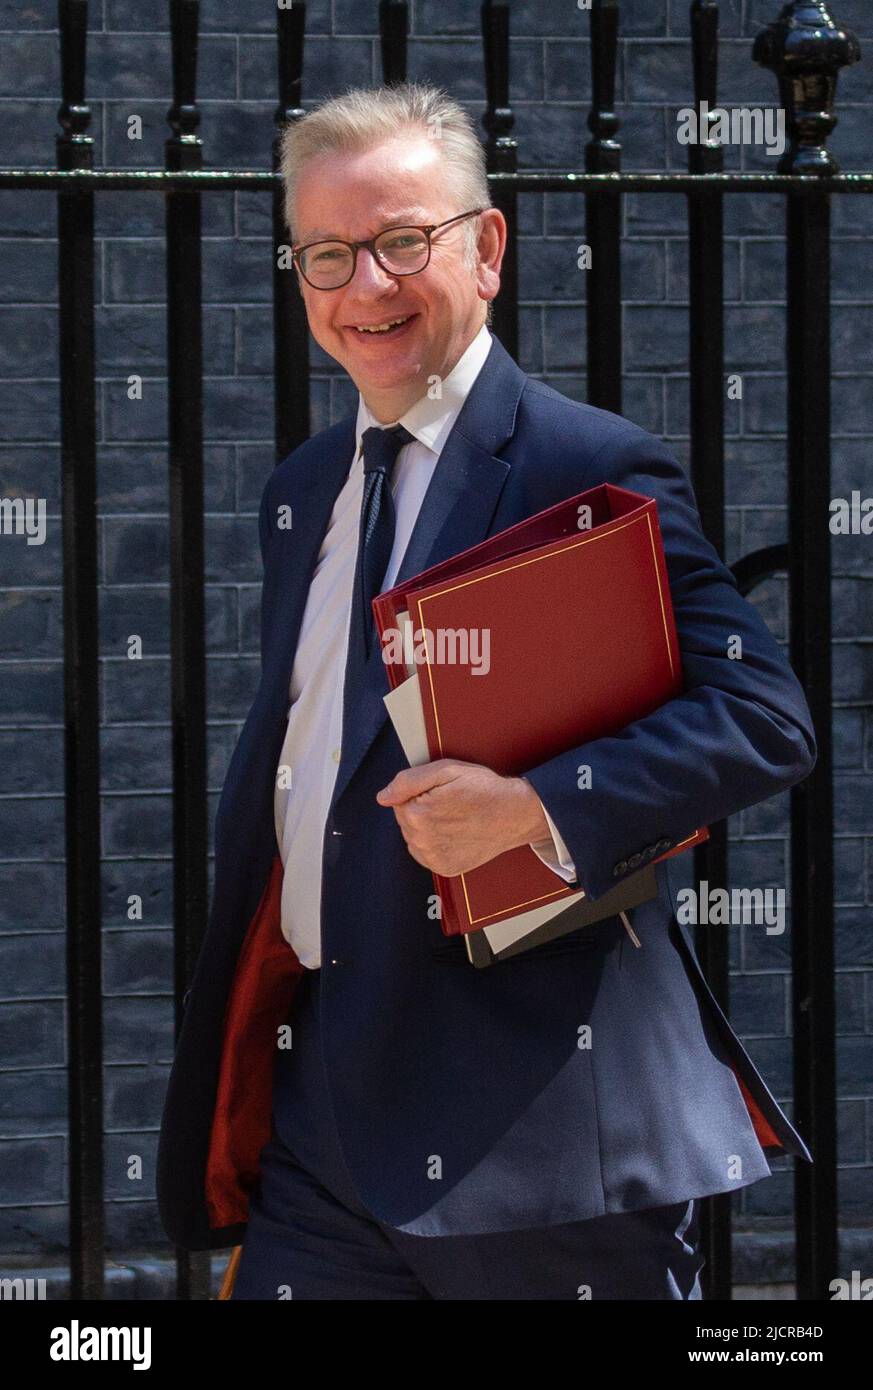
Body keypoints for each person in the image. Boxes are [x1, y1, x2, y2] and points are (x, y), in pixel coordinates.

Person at [156, 82, 817, 1301]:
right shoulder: (302, 489)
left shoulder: (584, 462)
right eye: (329, 254)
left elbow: (763, 715)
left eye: (403, 241)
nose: (368, 287)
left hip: (539, 1141)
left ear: (488, 247)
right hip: (327, 1129)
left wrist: (534, 805)